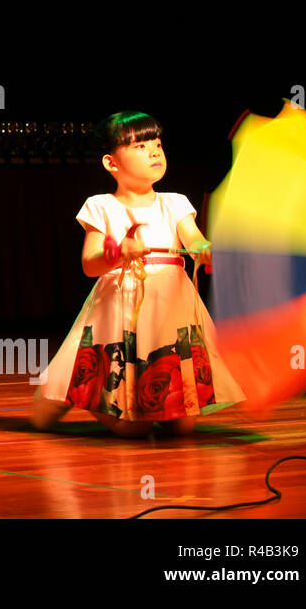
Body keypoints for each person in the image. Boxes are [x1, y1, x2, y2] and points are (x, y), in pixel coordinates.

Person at [31, 111, 245, 437]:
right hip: (121, 309)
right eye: (141, 145)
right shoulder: (101, 206)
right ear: (111, 163)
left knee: (183, 427)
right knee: (131, 432)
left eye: (157, 144)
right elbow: (90, 263)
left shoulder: (175, 203)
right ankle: (87, 398)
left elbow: (194, 238)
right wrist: (118, 253)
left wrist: (204, 248)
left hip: (168, 311)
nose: (154, 152)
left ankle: (146, 408)